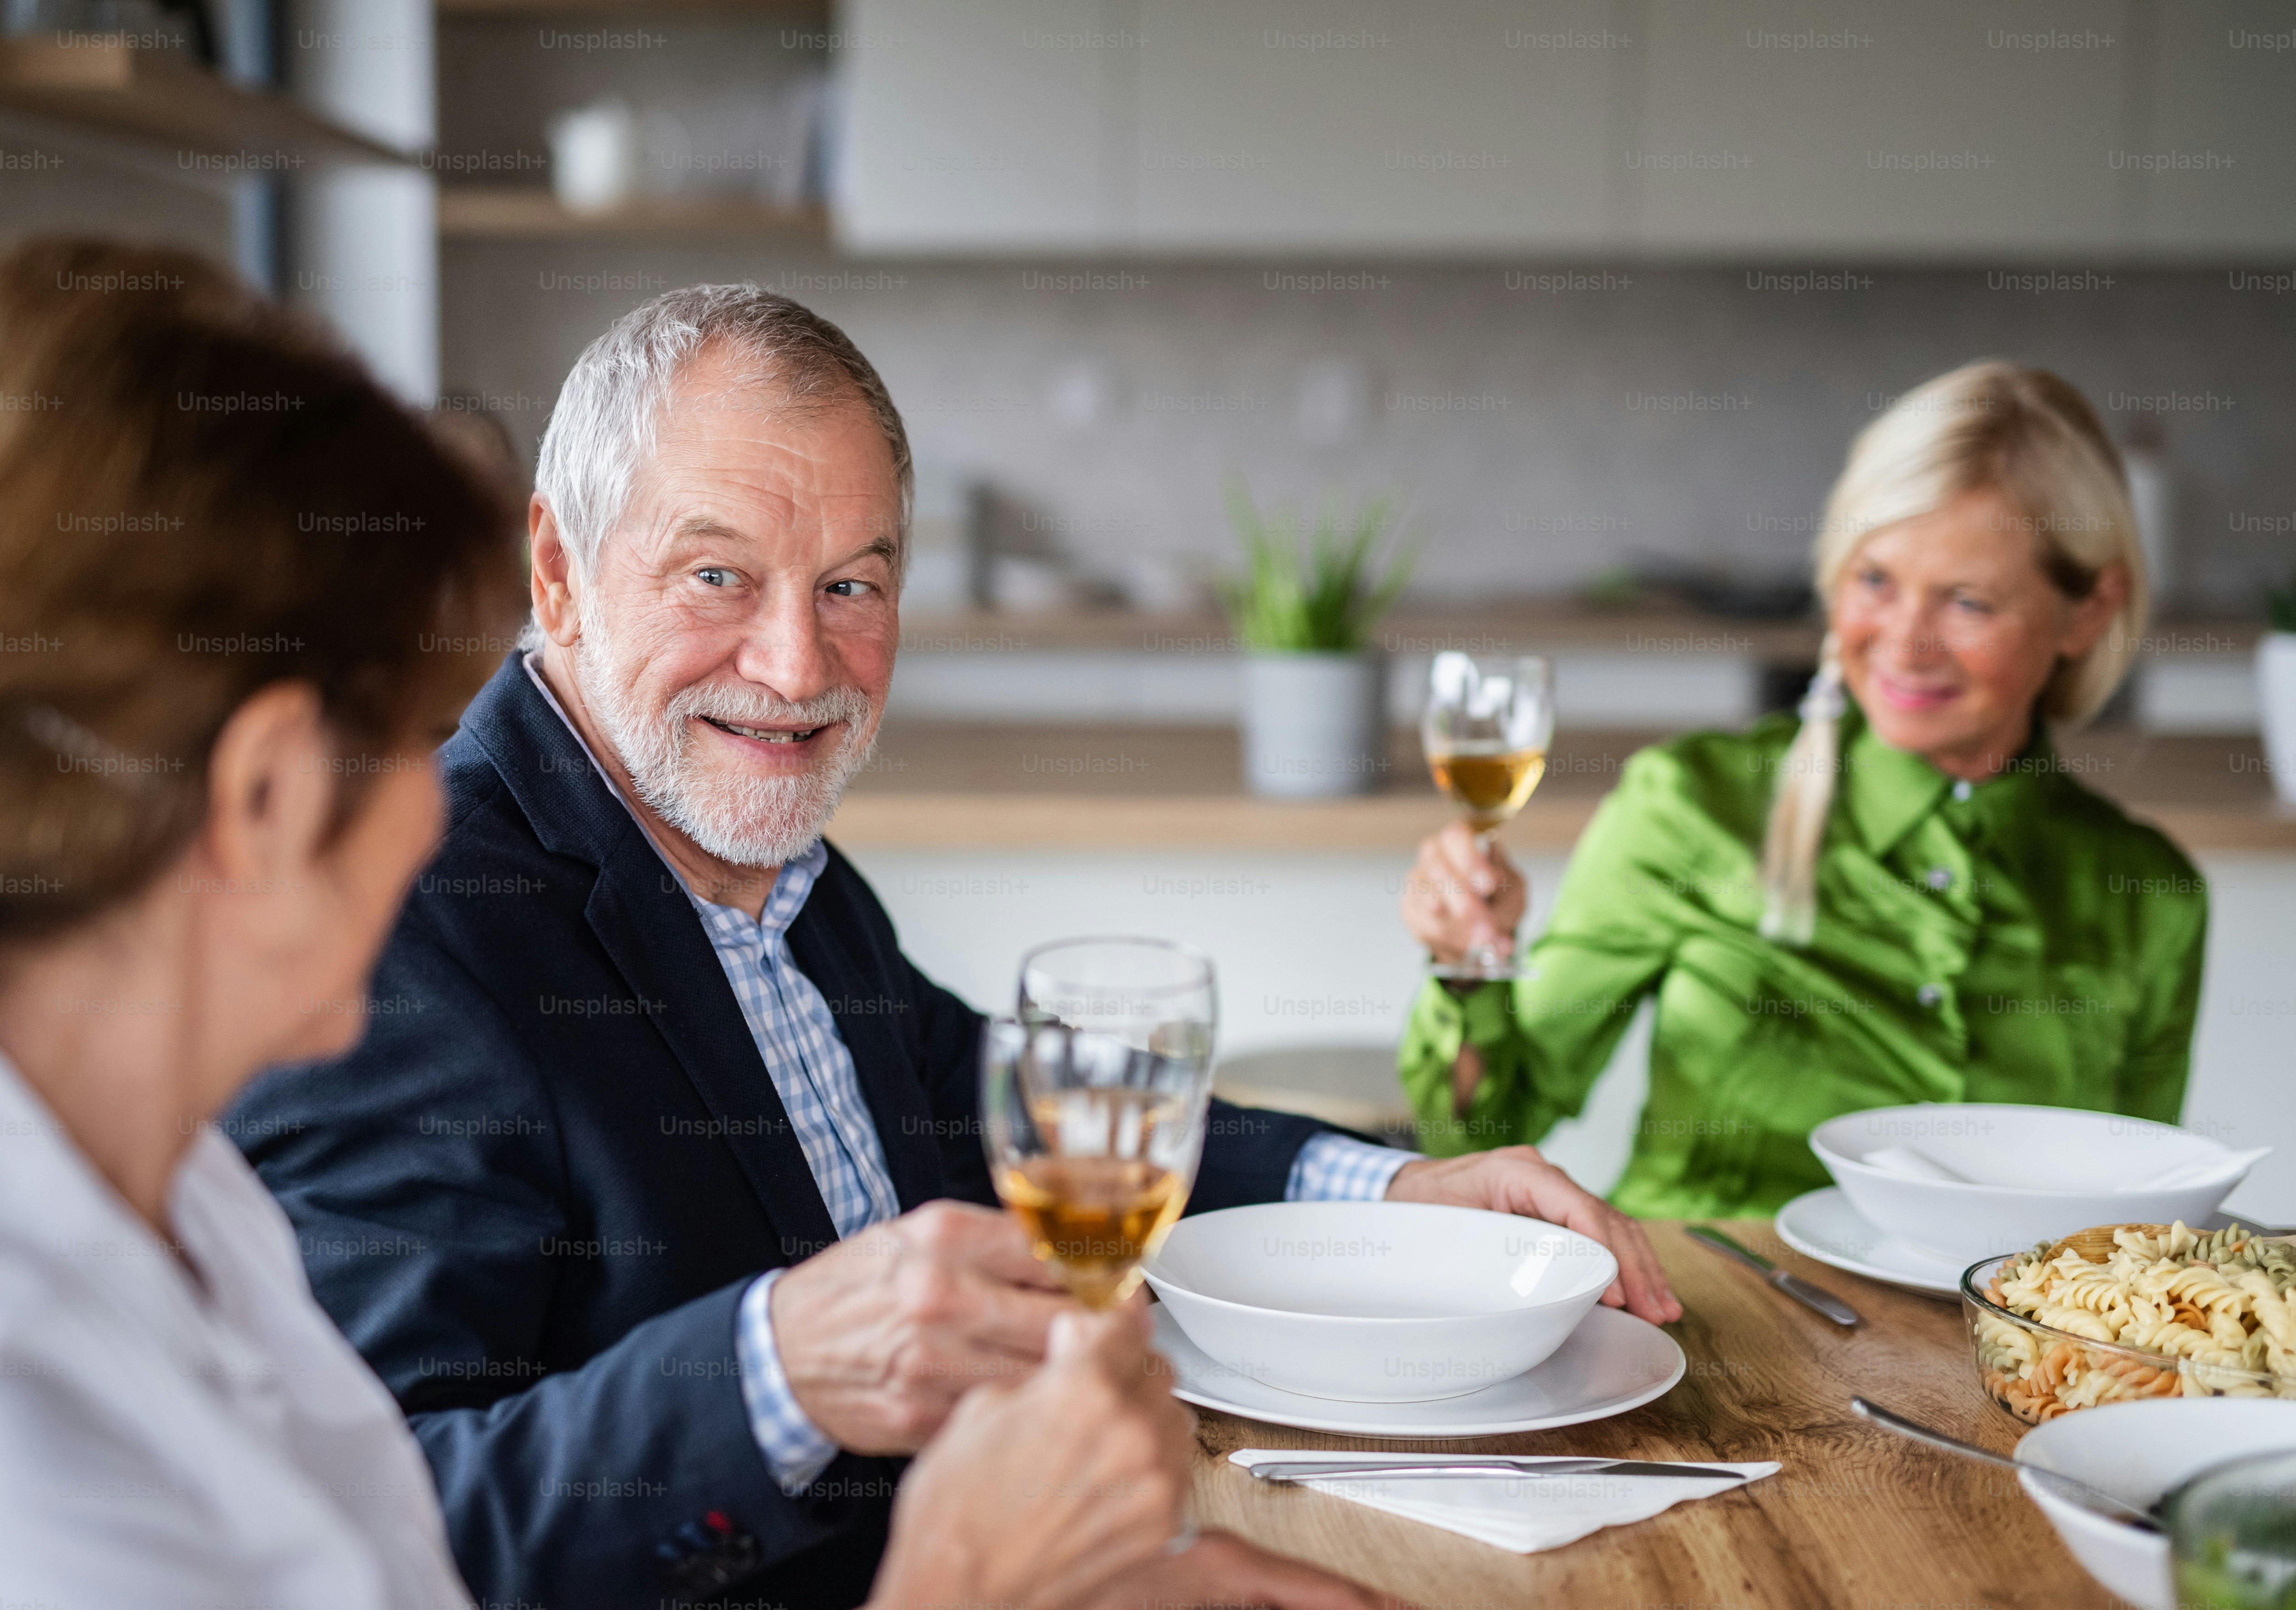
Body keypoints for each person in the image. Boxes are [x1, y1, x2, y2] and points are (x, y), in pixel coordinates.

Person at [225, 282, 1544, 1609]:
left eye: (851, 582)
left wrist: (1372, 1190)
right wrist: (777, 1369)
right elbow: (372, 1528)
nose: (801, 668)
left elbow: (977, 1092)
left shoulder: (784, 868)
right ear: (558, 572)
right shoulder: (404, 925)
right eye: (718, 574)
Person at [0, 238, 1203, 1610]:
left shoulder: (189, 1213)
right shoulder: (39, 1424)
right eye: (412, 727)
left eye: (849, 586)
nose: (436, 801)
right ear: (268, 788)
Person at [1397, 361, 2207, 1219]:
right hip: (1706, 1327)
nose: (1903, 641)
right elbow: (1482, 1135)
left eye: (1967, 601)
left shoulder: (2150, 896)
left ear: (2088, 611)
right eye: (1875, 580)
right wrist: (1466, 968)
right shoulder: (1690, 805)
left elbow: (2124, 1239)